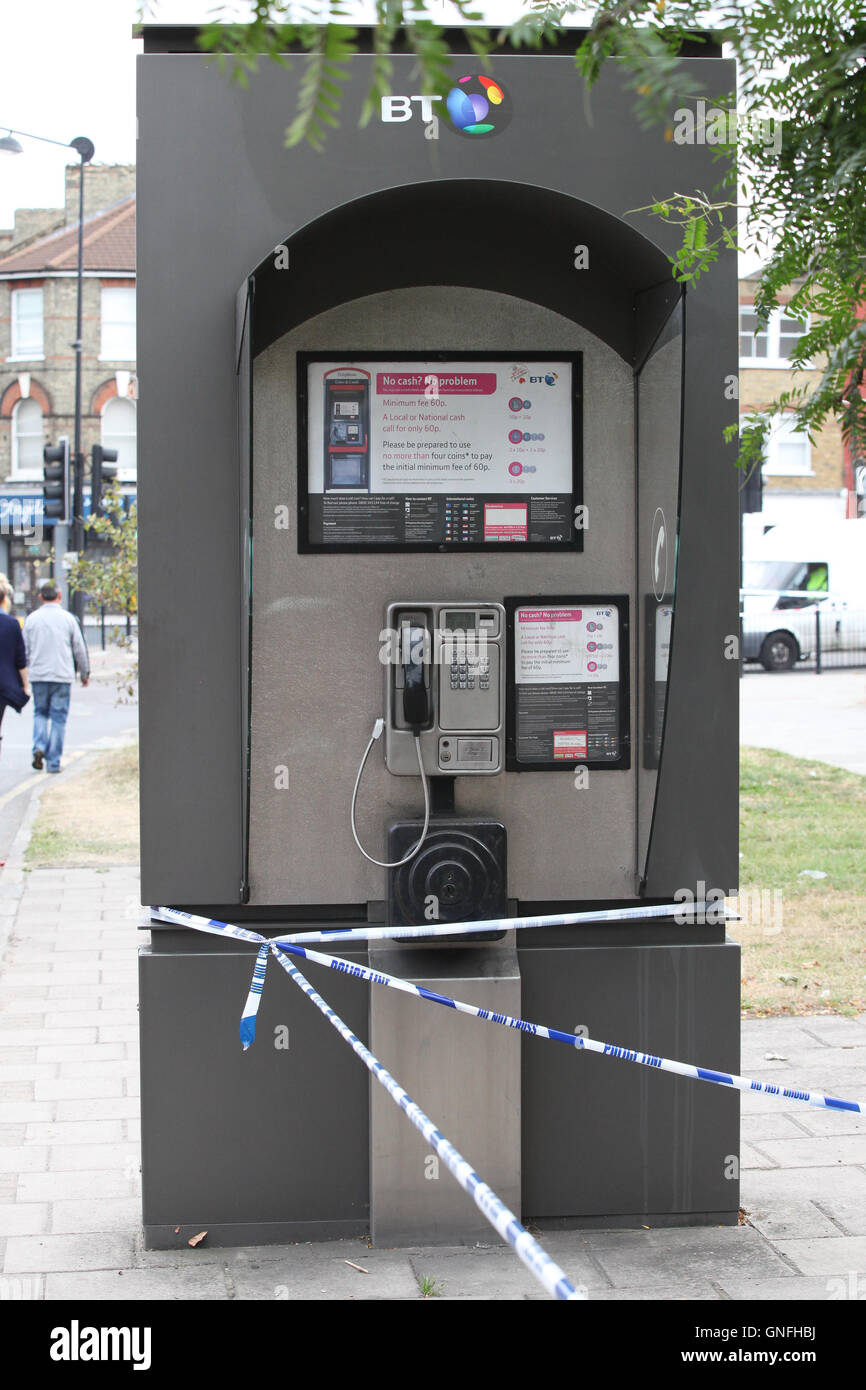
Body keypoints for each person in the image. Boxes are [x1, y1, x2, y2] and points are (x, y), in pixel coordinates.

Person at [23, 584, 90, 774]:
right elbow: (79, 648)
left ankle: (39, 746)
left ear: (40, 597)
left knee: (40, 713)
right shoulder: (68, 619)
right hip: (61, 675)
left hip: (39, 675)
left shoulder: (32, 620)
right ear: (59, 596)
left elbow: (25, 650)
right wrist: (84, 673)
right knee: (59, 719)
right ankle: (53, 762)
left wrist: (25, 675)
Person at [0, 574, 31, 752]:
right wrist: (25, 685)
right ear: (5, 598)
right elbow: (20, 659)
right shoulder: (12, 624)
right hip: (3, 685)